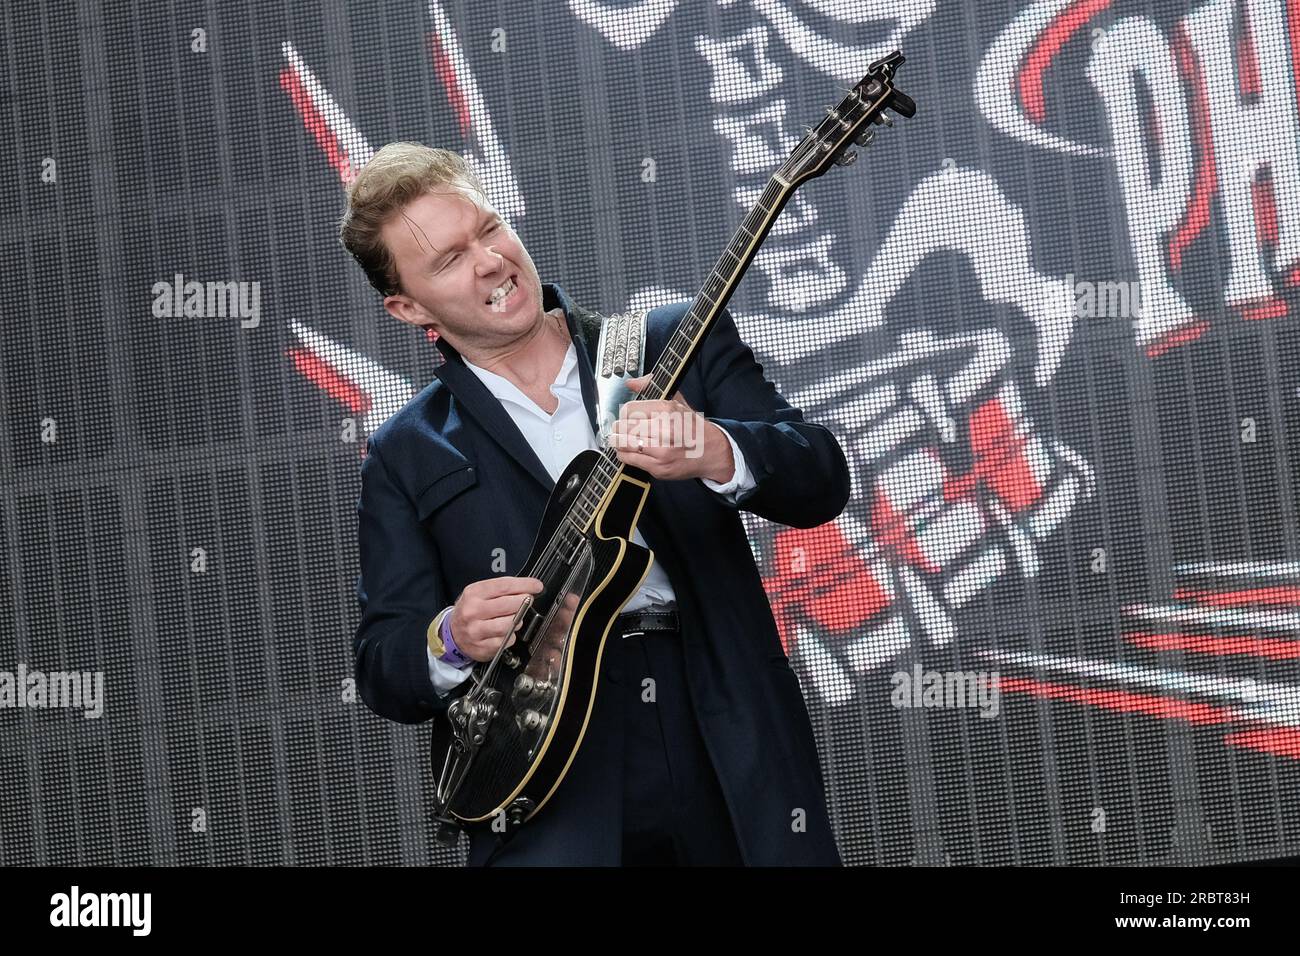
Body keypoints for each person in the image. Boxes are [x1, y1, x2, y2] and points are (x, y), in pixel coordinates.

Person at [341, 141, 852, 866]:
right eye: (449, 260)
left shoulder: (668, 343)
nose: (489, 261)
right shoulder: (404, 451)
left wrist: (715, 450)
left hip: (722, 720)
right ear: (405, 306)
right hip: (548, 766)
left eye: (489, 229)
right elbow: (383, 663)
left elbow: (822, 479)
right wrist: (450, 636)